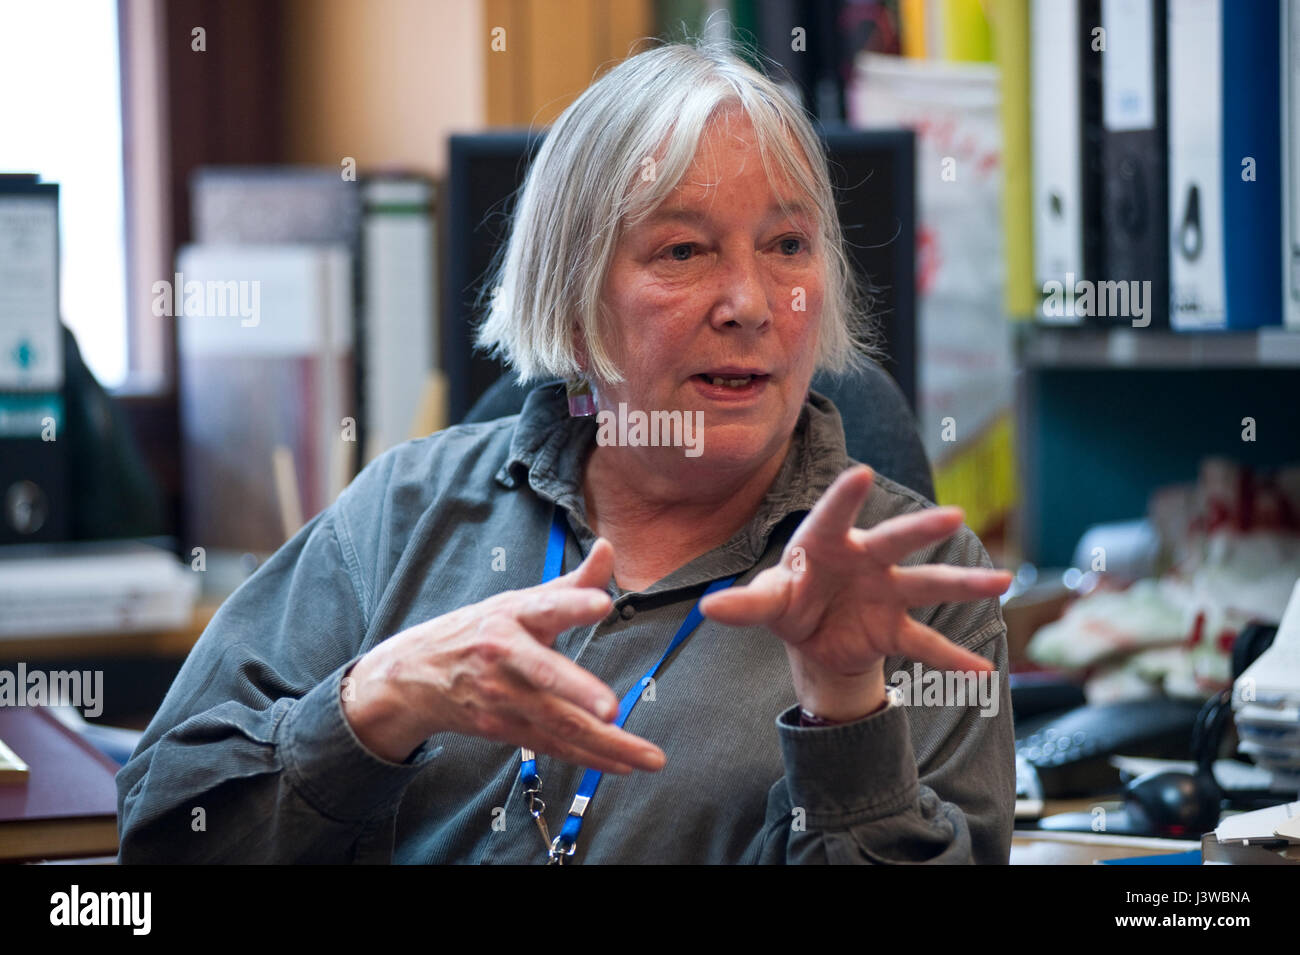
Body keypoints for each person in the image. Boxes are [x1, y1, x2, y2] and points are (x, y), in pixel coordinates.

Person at [116, 38, 1016, 864]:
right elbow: (164, 834)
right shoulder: (405, 513)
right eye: (685, 249)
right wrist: (379, 699)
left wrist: (845, 706)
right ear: (572, 300)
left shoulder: (918, 585)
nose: (750, 300)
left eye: (788, 245)